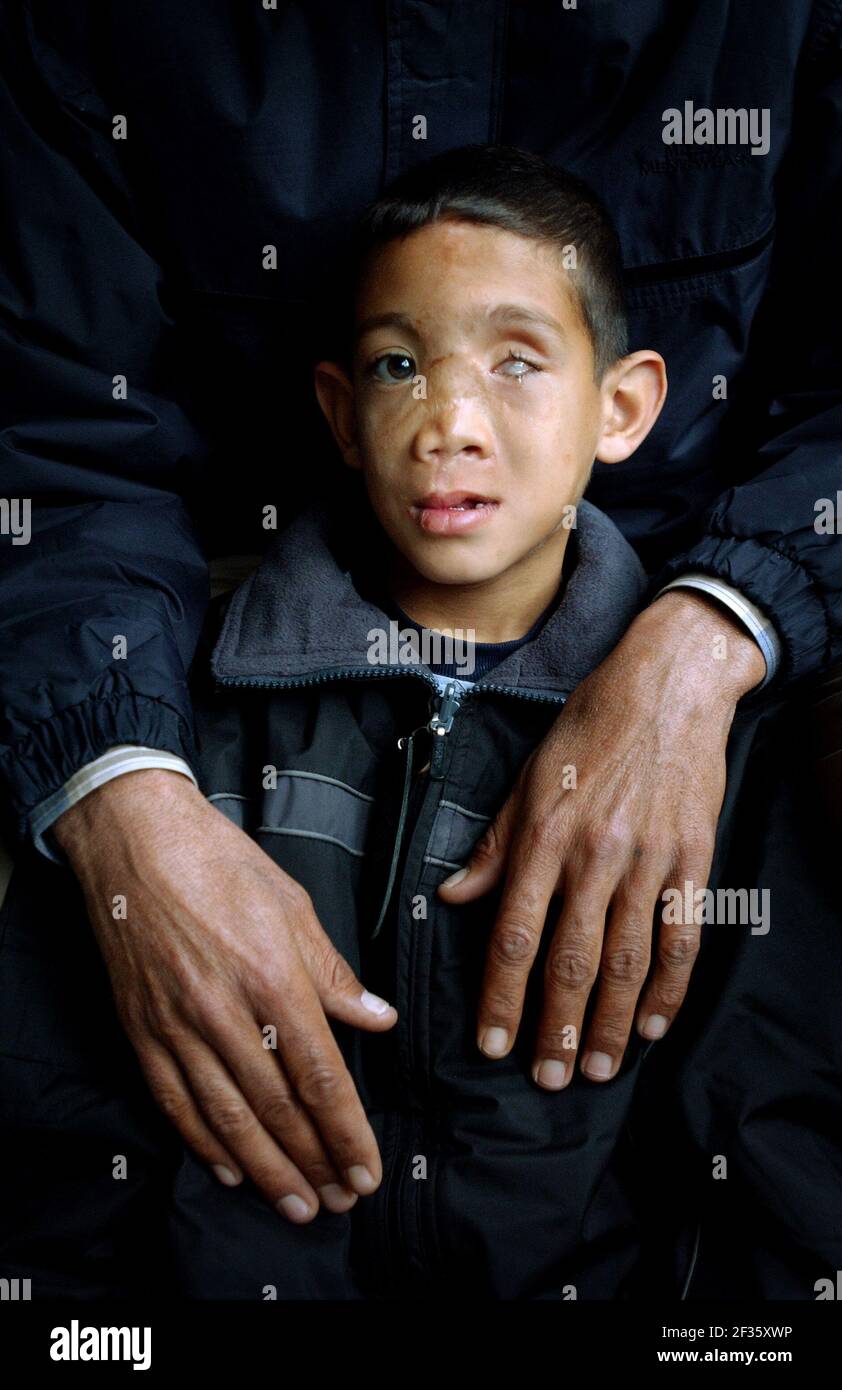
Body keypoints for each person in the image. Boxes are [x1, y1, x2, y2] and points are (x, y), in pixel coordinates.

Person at [1, 2, 841, 1237]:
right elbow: (50, 421)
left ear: (626, 407)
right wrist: (115, 794)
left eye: (514, 362)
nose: (448, 421)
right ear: (339, 412)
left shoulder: (746, 790)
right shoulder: (208, 735)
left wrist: (713, 638)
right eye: (400, 365)